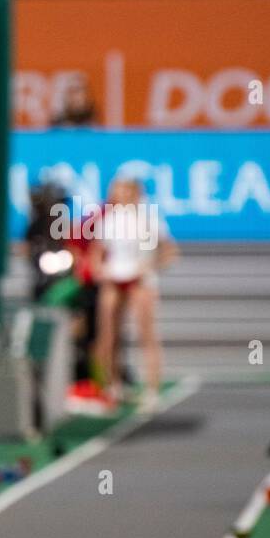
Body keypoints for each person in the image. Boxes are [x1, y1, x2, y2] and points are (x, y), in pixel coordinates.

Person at [87, 176, 180, 412]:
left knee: (146, 334)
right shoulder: (109, 221)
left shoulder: (148, 220)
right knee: (108, 334)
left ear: (136, 194)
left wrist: (149, 267)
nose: (120, 196)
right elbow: (97, 252)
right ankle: (111, 386)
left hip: (140, 279)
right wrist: (99, 270)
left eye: (125, 192)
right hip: (115, 277)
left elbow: (168, 251)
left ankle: (152, 389)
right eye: (117, 192)